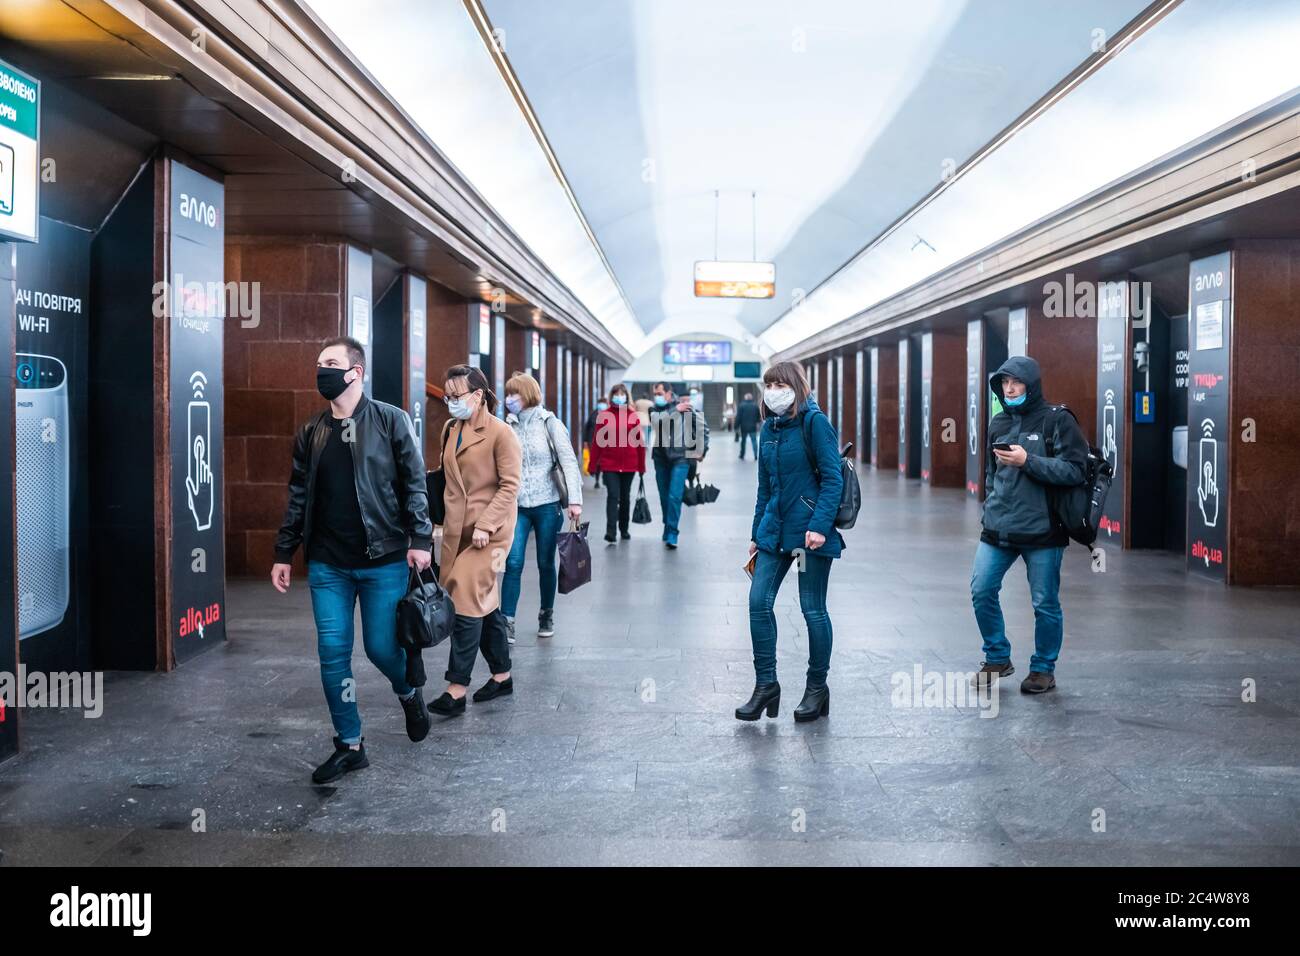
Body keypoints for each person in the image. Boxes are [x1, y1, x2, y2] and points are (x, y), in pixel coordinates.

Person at [271, 335, 432, 784]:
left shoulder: (391, 421)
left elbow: (414, 483)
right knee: (333, 652)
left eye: (331, 363)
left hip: (383, 560)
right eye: (319, 363)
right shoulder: (311, 431)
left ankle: (407, 691)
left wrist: (420, 537)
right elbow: (298, 496)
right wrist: (285, 550)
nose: (321, 371)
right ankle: (349, 744)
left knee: (381, 648)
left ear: (355, 372)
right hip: (328, 564)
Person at [971, 355, 1087, 695]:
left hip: (1043, 532)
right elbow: (992, 475)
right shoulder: (997, 422)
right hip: (998, 528)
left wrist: (1028, 461)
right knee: (981, 590)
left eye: (1016, 382)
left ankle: (1042, 669)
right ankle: (997, 656)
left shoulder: (1057, 421)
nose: (1009, 388)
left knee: (1044, 602)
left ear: (1031, 385)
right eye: (1004, 383)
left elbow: (1075, 470)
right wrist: (991, 504)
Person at [738, 362, 844, 724]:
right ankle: (766, 685)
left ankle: (817, 688)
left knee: (811, 608)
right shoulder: (769, 427)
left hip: (807, 538)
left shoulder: (816, 423)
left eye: (781, 384)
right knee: (758, 603)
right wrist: (756, 532)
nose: (774, 390)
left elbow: (833, 479)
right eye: (769, 384)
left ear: (797, 387)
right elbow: (765, 487)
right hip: (773, 533)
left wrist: (818, 526)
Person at [428, 364, 522, 716]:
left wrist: (485, 525)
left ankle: (456, 688)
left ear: (478, 395)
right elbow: (448, 479)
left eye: (457, 395)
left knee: (465, 597)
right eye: (447, 396)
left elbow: (510, 486)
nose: (451, 402)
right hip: (457, 531)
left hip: (492, 536)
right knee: (486, 604)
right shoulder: (452, 429)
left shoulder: (501, 434)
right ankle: (502, 675)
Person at [501, 371, 583, 642]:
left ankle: (546, 613)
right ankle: (507, 620)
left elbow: (569, 461)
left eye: (514, 394)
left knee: (545, 562)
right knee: (513, 563)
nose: (508, 398)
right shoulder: (507, 425)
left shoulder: (550, 423)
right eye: (508, 393)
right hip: (517, 505)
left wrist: (574, 500)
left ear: (527, 395)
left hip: (547, 504)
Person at [649, 381, 708, 549]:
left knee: (675, 495)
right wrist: (676, 410)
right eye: (655, 393)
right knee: (664, 496)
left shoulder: (686, 408)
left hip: (680, 458)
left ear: (669, 393)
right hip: (660, 459)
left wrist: (702, 450)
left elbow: (702, 428)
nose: (657, 396)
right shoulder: (654, 409)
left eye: (660, 393)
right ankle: (667, 525)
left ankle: (672, 532)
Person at [588, 382, 646, 543]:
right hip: (610, 464)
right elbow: (597, 442)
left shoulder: (632, 415)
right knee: (613, 496)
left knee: (625, 497)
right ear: (612, 396)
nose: (619, 397)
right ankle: (611, 531)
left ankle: (624, 529)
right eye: (616, 394)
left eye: (622, 394)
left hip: (629, 464)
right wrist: (592, 464)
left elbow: (639, 443)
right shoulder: (604, 415)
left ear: (626, 396)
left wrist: (642, 466)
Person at [583, 398, 605, 488]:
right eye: (600, 403)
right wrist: (585, 441)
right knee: (597, 461)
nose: (602, 405)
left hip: (605, 442)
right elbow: (587, 427)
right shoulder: (593, 414)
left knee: (602, 460)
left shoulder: (609, 414)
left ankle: (604, 476)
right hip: (592, 440)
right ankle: (597, 478)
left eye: (603, 403)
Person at [735, 391, 761, 460]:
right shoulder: (755, 405)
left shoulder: (741, 405)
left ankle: (742, 454)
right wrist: (758, 423)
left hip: (744, 427)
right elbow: (758, 416)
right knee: (754, 441)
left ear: (745, 398)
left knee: (743, 441)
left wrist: (736, 426)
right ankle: (755, 455)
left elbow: (738, 417)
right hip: (753, 427)